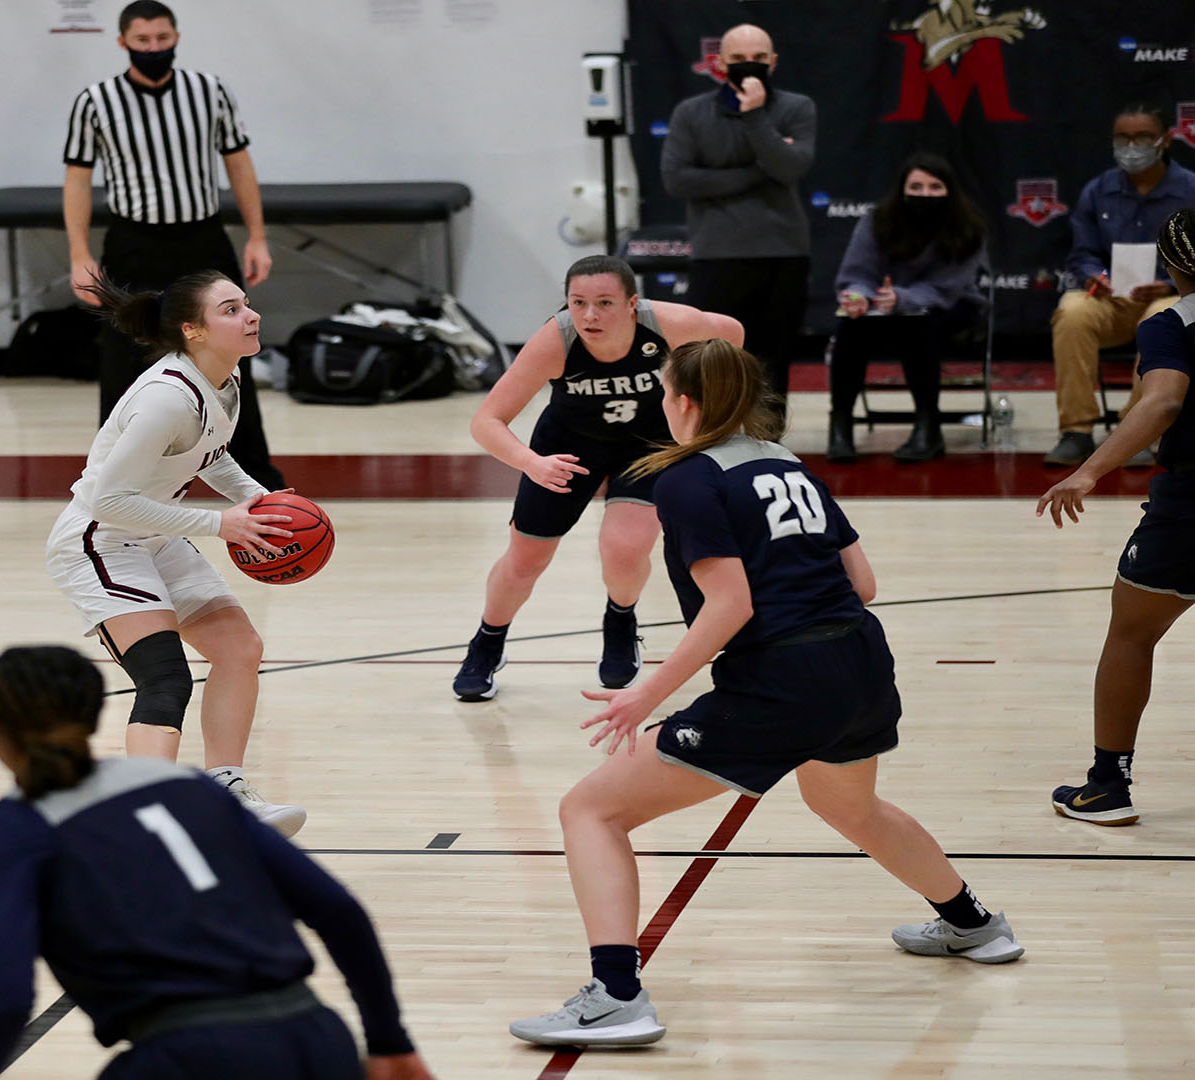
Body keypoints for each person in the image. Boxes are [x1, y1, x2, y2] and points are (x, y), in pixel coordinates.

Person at [508, 339, 1022, 1049]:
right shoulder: (786, 463)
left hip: (782, 680)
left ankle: (615, 996)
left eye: (665, 393)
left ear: (684, 402)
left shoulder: (685, 479)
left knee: (590, 810)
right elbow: (864, 585)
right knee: (846, 803)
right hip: (860, 661)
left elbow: (730, 606)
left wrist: (645, 692)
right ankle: (973, 924)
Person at [0, 646, 433, 1080]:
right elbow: (338, 910)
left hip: (186, 1057)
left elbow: (4, 1001)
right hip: (318, 1038)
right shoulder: (190, 787)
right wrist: (390, 1040)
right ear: (92, 718)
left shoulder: (4, 833)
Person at [46, 269, 304, 834]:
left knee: (240, 647)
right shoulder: (166, 400)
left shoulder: (226, 381)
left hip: (155, 533)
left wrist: (258, 499)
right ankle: (148, 820)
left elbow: (207, 455)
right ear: (194, 331)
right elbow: (110, 501)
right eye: (231, 309)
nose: (251, 315)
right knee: (165, 678)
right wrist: (221, 524)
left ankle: (225, 788)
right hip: (99, 540)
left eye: (248, 304)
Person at [452, 255, 743, 702]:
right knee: (525, 560)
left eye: (605, 303)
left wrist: (703, 403)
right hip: (567, 448)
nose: (589, 315)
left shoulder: (670, 325)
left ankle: (621, 620)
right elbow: (486, 421)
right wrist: (531, 462)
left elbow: (732, 333)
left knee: (624, 549)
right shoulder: (556, 341)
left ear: (633, 303)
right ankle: (488, 641)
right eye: (578, 302)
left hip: (646, 445)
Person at [63, 0, 284, 491]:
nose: (154, 49)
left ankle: (253, 477)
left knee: (229, 354)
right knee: (123, 358)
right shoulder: (95, 101)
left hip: (201, 238)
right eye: (143, 41)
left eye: (163, 39)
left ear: (176, 37)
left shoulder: (209, 91)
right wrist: (80, 254)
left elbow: (239, 165)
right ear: (122, 42)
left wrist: (258, 236)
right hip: (133, 241)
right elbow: (77, 180)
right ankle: (119, 481)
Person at [1036, 209, 1195, 827]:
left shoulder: (1171, 322)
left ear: (1172, 265)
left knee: (1132, 632)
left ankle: (1108, 785)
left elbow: (1163, 399)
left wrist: (1089, 469)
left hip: (1189, 508)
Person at [660, 23, 817, 423]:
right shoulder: (691, 113)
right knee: (709, 354)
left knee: (773, 355)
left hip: (782, 250)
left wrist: (754, 116)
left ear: (774, 61)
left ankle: (768, 438)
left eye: (760, 59)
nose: (750, 65)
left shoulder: (797, 107)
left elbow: (788, 167)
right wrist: (755, 173)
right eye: (740, 59)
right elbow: (677, 179)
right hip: (718, 252)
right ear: (720, 63)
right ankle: (710, 432)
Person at [1043, 104, 1195, 468]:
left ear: (1164, 140)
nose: (1131, 145)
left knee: (1162, 318)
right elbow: (1081, 254)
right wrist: (1096, 276)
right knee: (1072, 311)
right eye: (1122, 138)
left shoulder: (1190, 188)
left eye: (1141, 137)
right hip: (1110, 296)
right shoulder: (1098, 190)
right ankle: (1076, 431)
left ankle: (1138, 429)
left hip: (1170, 293)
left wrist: (1164, 283)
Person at [827, 151, 987, 463]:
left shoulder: (969, 227)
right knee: (850, 324)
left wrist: (902, 298)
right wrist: (858, 298)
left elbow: (949, 286)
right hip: (886, 308)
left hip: (950, 308)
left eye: (934, 187)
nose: (924, 194)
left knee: (917, 325)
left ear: (949, 191)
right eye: (916, 187)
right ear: (902, 190)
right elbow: (857, 274)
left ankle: (928, 426)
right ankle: (840, 423)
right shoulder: (877, 220)